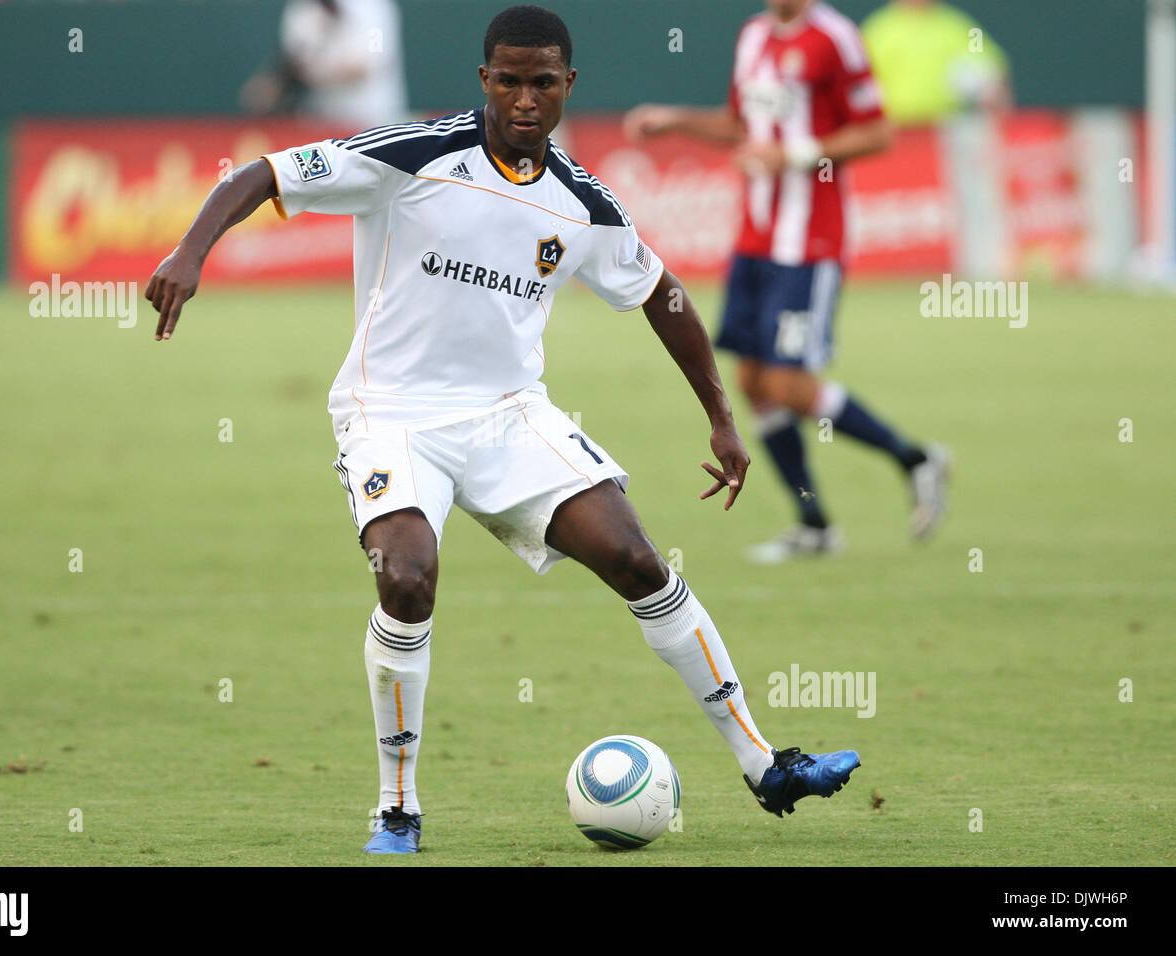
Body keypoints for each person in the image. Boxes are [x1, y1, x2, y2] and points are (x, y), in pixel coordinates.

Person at [147, 4, 859, 854]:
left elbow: (665, 298)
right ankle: (397, 808)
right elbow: (258, 175)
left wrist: (720, 417)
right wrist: (190, 252)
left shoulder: (582, 203)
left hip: (509, 417)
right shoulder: (411, 154)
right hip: (391, 415)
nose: (526, 100)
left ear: (568, 87)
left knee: (638, 560)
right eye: (510, 81)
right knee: (407, 577)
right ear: (485, 81)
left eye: (543, 83)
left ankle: (764, 765)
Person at [625, 0, 950, 563]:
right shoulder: (753, 35)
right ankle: (813, 522)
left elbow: (876, 133)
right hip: (754, 239)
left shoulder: (836, 38)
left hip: (811, 241)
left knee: (787, 383)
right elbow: (738, 126)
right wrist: (674, 119)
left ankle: (916, 460)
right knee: (751, 379)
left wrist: (794, 154)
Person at [240, 0, 408, 128]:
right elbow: (294, 59)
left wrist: (317, 72)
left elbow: (367, 67)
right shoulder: (303, 8)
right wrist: (274, 83)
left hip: (370, 120)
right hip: (320, 121)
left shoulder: (373, 7)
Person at [861, 0, 1011, 127]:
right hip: (898, 132)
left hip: (947, 131)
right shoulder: (877, 30)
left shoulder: (959, 27)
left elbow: (989, 68)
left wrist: (992, 89)